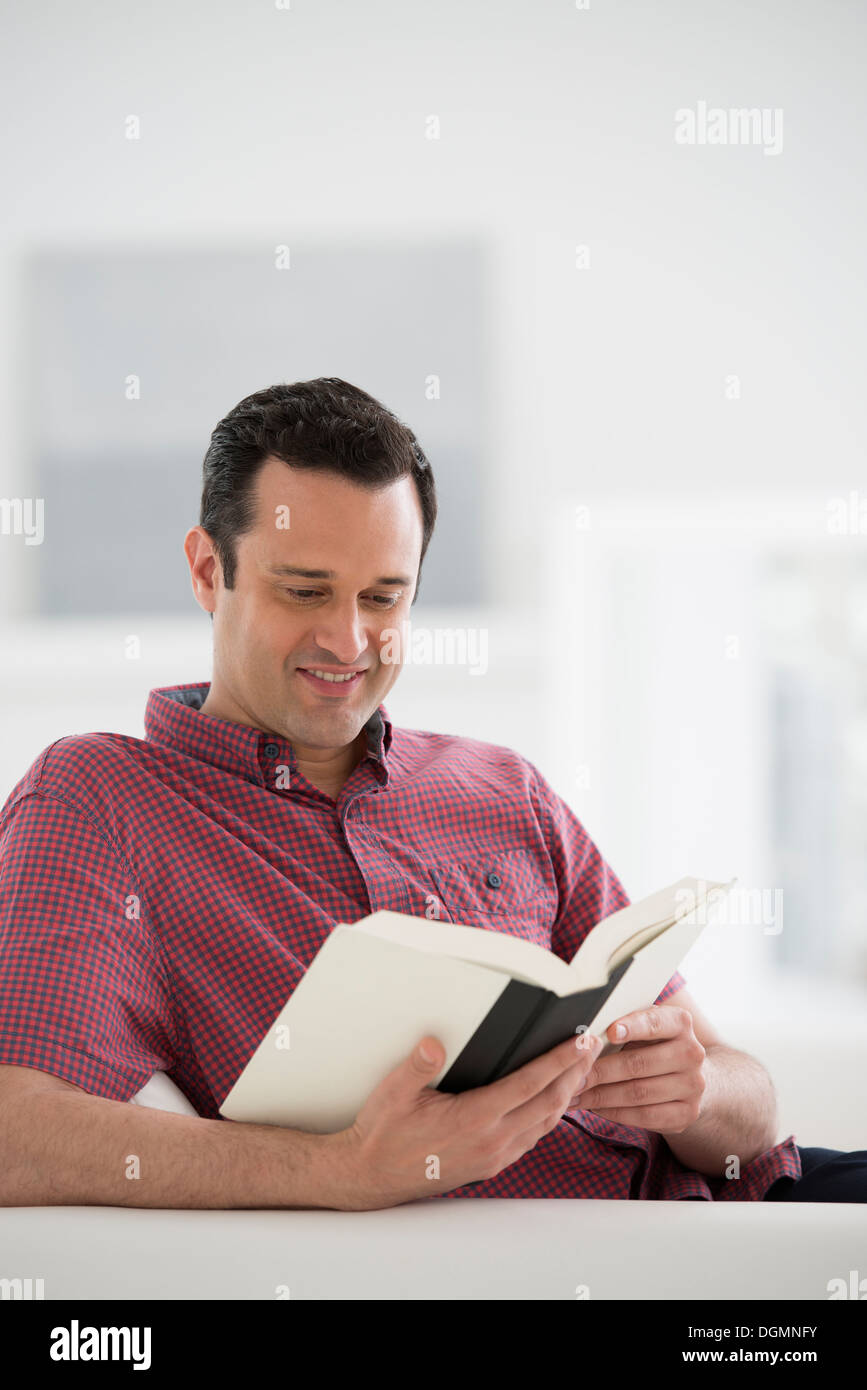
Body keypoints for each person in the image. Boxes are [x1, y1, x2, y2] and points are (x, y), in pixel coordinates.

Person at [0, 378, 861, 1208]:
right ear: (205, 570)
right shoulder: (100, 799)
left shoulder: (502, 785)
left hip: (747, 1209)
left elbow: (751, 1111)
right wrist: (332, 1172)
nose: (348, 640)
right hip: (579, 1263)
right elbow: (14, 1134)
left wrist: (697, 1094)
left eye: (384, 597)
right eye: (304, 591)